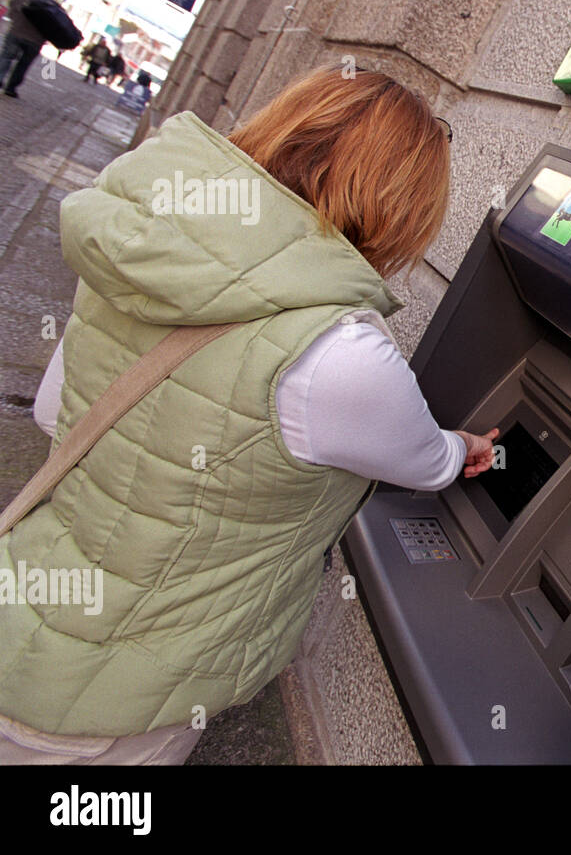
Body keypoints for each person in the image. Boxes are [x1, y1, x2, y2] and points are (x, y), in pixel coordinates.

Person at [0, 67, 496, 764]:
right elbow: (429, 460)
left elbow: (56, 411)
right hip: (118, 700)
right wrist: (470, 443)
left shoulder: (148, 244)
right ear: (397, 209)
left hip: (23, 604)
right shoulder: (341, 351)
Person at [0, 0, 62, 98]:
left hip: (16, 32)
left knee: (7, 57)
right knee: (24, 64)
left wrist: (16, 21)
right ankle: (11, 88)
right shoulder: (55, 7)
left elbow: (11, 10)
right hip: (36, 40)